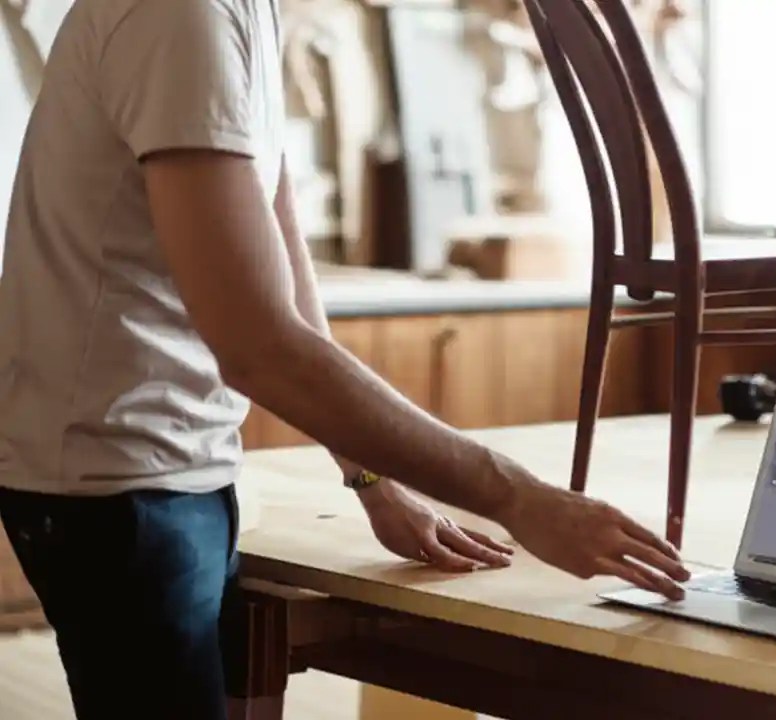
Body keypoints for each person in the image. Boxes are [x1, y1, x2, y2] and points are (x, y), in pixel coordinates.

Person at [0, 0, 689, 717]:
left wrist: (370, 475)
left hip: (173, 470)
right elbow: (260, 345)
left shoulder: (245, 13)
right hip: (119, 485)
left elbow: (286, 287)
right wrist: (518, 498)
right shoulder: (182, 16)